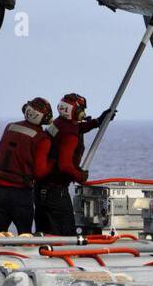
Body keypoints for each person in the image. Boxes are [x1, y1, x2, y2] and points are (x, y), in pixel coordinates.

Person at [36, 93, 112, 235]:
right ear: (75, 111)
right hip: (56, 193)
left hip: (41, 190)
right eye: (82, 110)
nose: (83, 113)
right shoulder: (70, 134)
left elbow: (76, 128)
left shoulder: (58, 123)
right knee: (65, 234)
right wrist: (80, 175)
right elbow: (65, 165)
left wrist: (97, 122)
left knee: (44, 233)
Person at [0, 98, 53, 236]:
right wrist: (53, 162)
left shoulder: (10, 127)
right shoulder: (42, 139)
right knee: (24, 236)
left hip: (0, 191)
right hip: (21, 193)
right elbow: (40, 172)